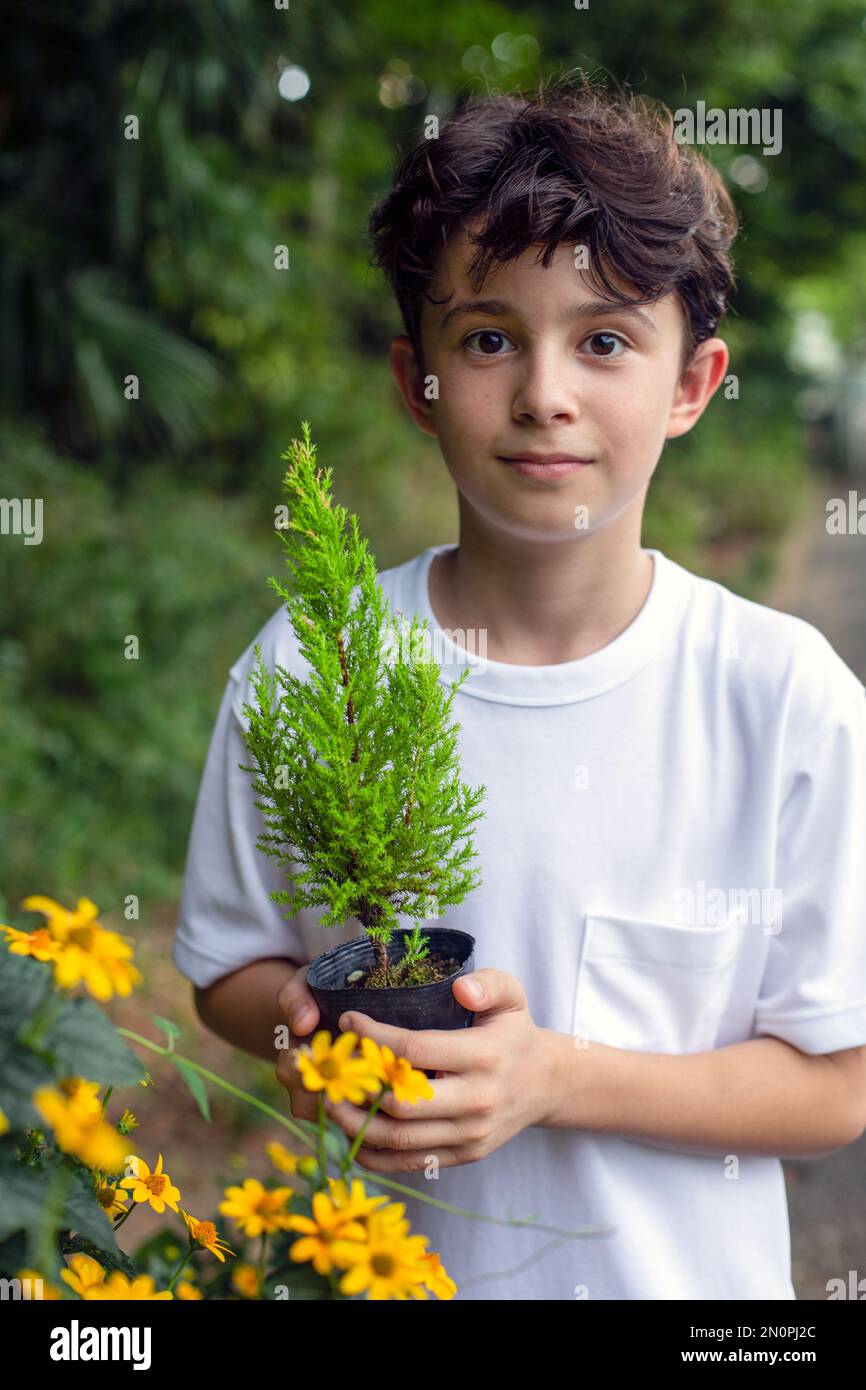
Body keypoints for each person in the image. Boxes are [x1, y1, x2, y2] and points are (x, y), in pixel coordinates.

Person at [172, 73, 866, 1300]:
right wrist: (302, 1024)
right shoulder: (312, 661)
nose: (544, 391)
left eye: (602, 339)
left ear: (693, 384)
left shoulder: (782, 699)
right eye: (488, 338)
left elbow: (835, 1085)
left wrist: (554, 1076)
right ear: (416, 381)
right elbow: (231, 971)